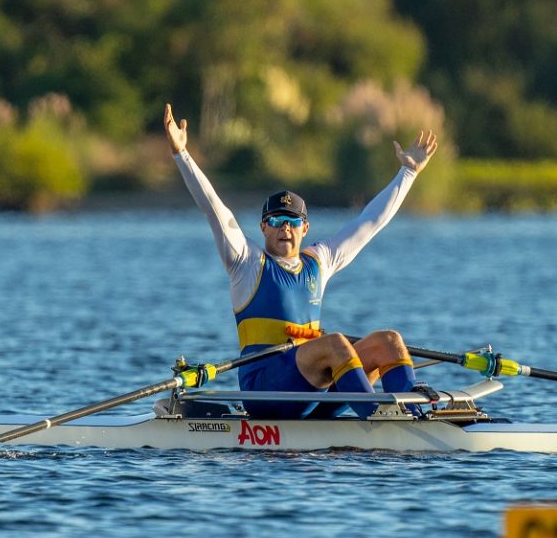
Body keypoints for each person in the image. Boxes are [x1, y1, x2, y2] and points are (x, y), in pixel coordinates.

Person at [163, 103, 438, 419]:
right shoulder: (246, 262)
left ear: (305, 228)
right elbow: (215, 210)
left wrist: (408, 172)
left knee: (389, 341)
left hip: (310, 388)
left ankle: (415, 415)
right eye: (276, 220)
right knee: (335, 343)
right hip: (265, 390)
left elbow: (370, 222)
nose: (284, 228)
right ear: (263, 226)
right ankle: (378, 415)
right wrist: (182, 155)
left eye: (292, 221)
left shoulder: (320, 261)